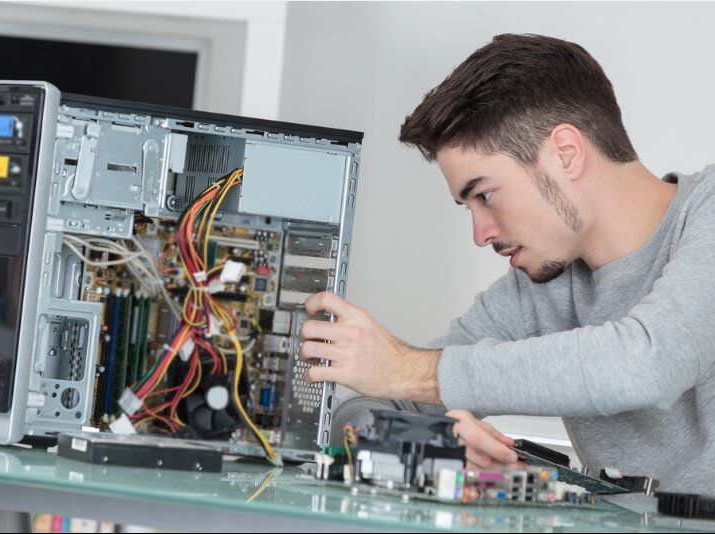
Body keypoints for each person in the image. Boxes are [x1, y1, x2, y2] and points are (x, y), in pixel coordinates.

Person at [298, 34, 714, 493]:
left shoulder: (707, 212)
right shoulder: (540, 288)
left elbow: (646, 363)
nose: (481, 234)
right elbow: (360, 412)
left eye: (485, 195)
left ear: (566, 153)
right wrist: (437, 443)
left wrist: (410, 369)